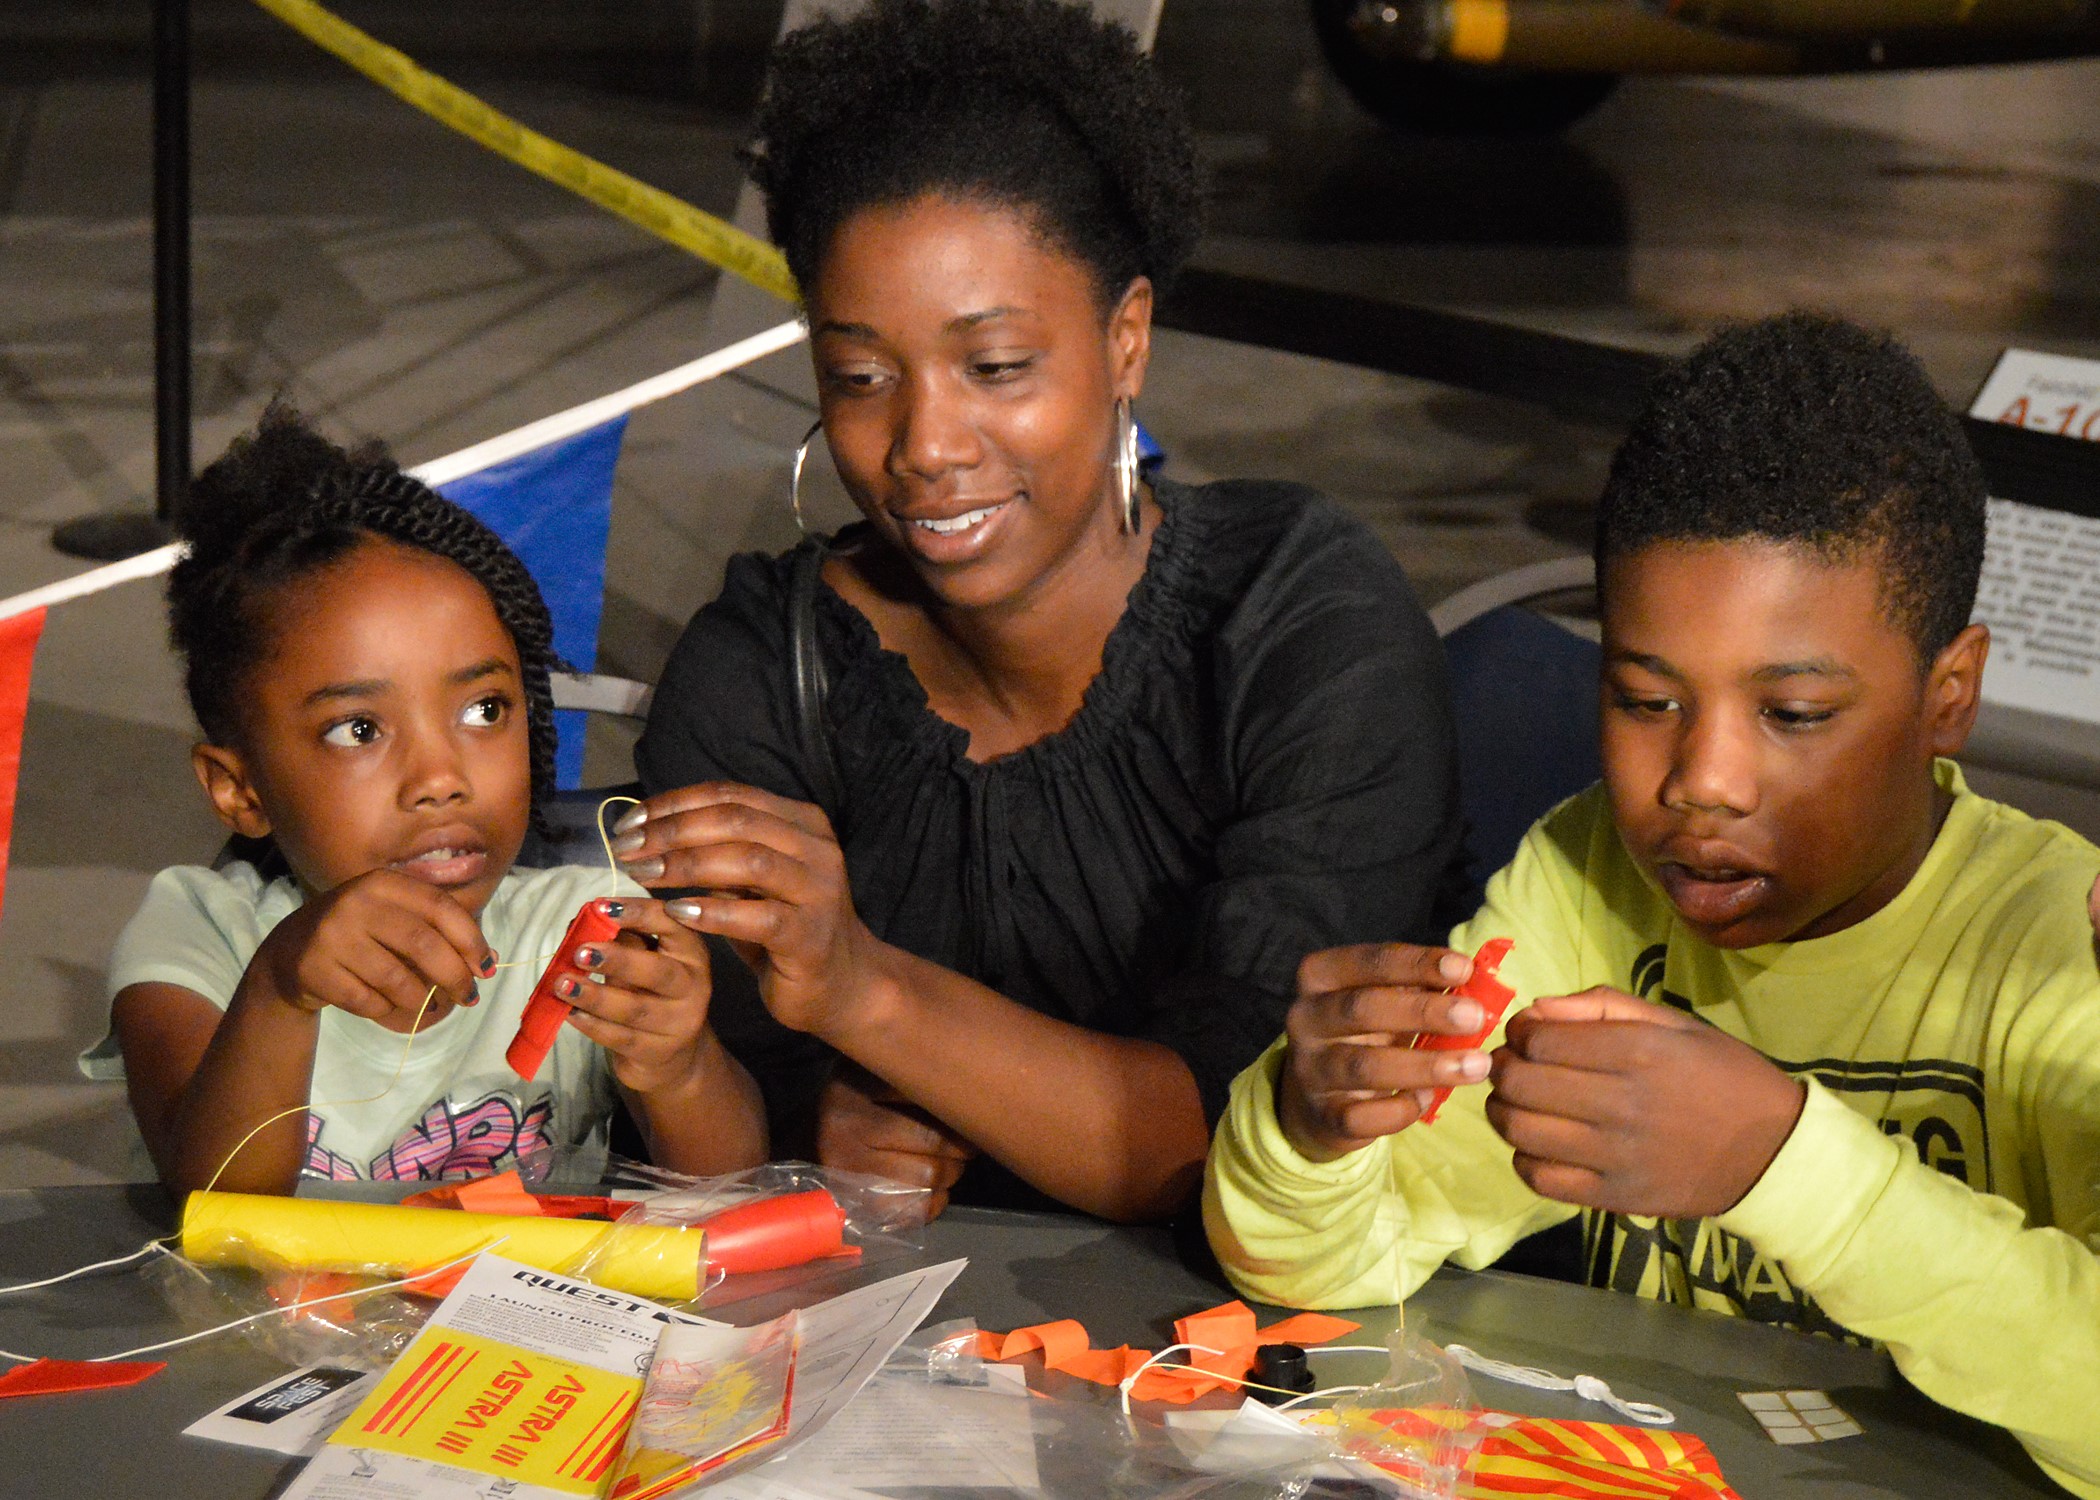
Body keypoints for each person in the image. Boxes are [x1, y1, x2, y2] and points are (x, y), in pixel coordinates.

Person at [1206, 312, 2100, 1495]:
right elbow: (1326, 1269)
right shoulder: (1594, 882)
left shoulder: (2057, 947)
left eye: (1792, 715)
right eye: (1644, 699)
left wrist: (1777, 1165)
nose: (1702, 783)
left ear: (1948, 696)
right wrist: (1308, 1133)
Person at [618, 0, 1464, 1221]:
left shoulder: (1299, 622)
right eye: (860, 378)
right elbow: (699, 1116)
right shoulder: (761, 679)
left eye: (997, 367)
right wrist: (806, 1127)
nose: (926, 446)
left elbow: (1240, 1151)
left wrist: (871, 996)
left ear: (1127, 341)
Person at [96, 406, 765, 1194]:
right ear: (240, 790)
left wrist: (679, 1068)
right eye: (358, 729)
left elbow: (731, 1197)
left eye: (484, 711)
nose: (440, 776)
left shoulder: (582, 929)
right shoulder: (197, 937)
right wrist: (281, 992)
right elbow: (216, 1205)